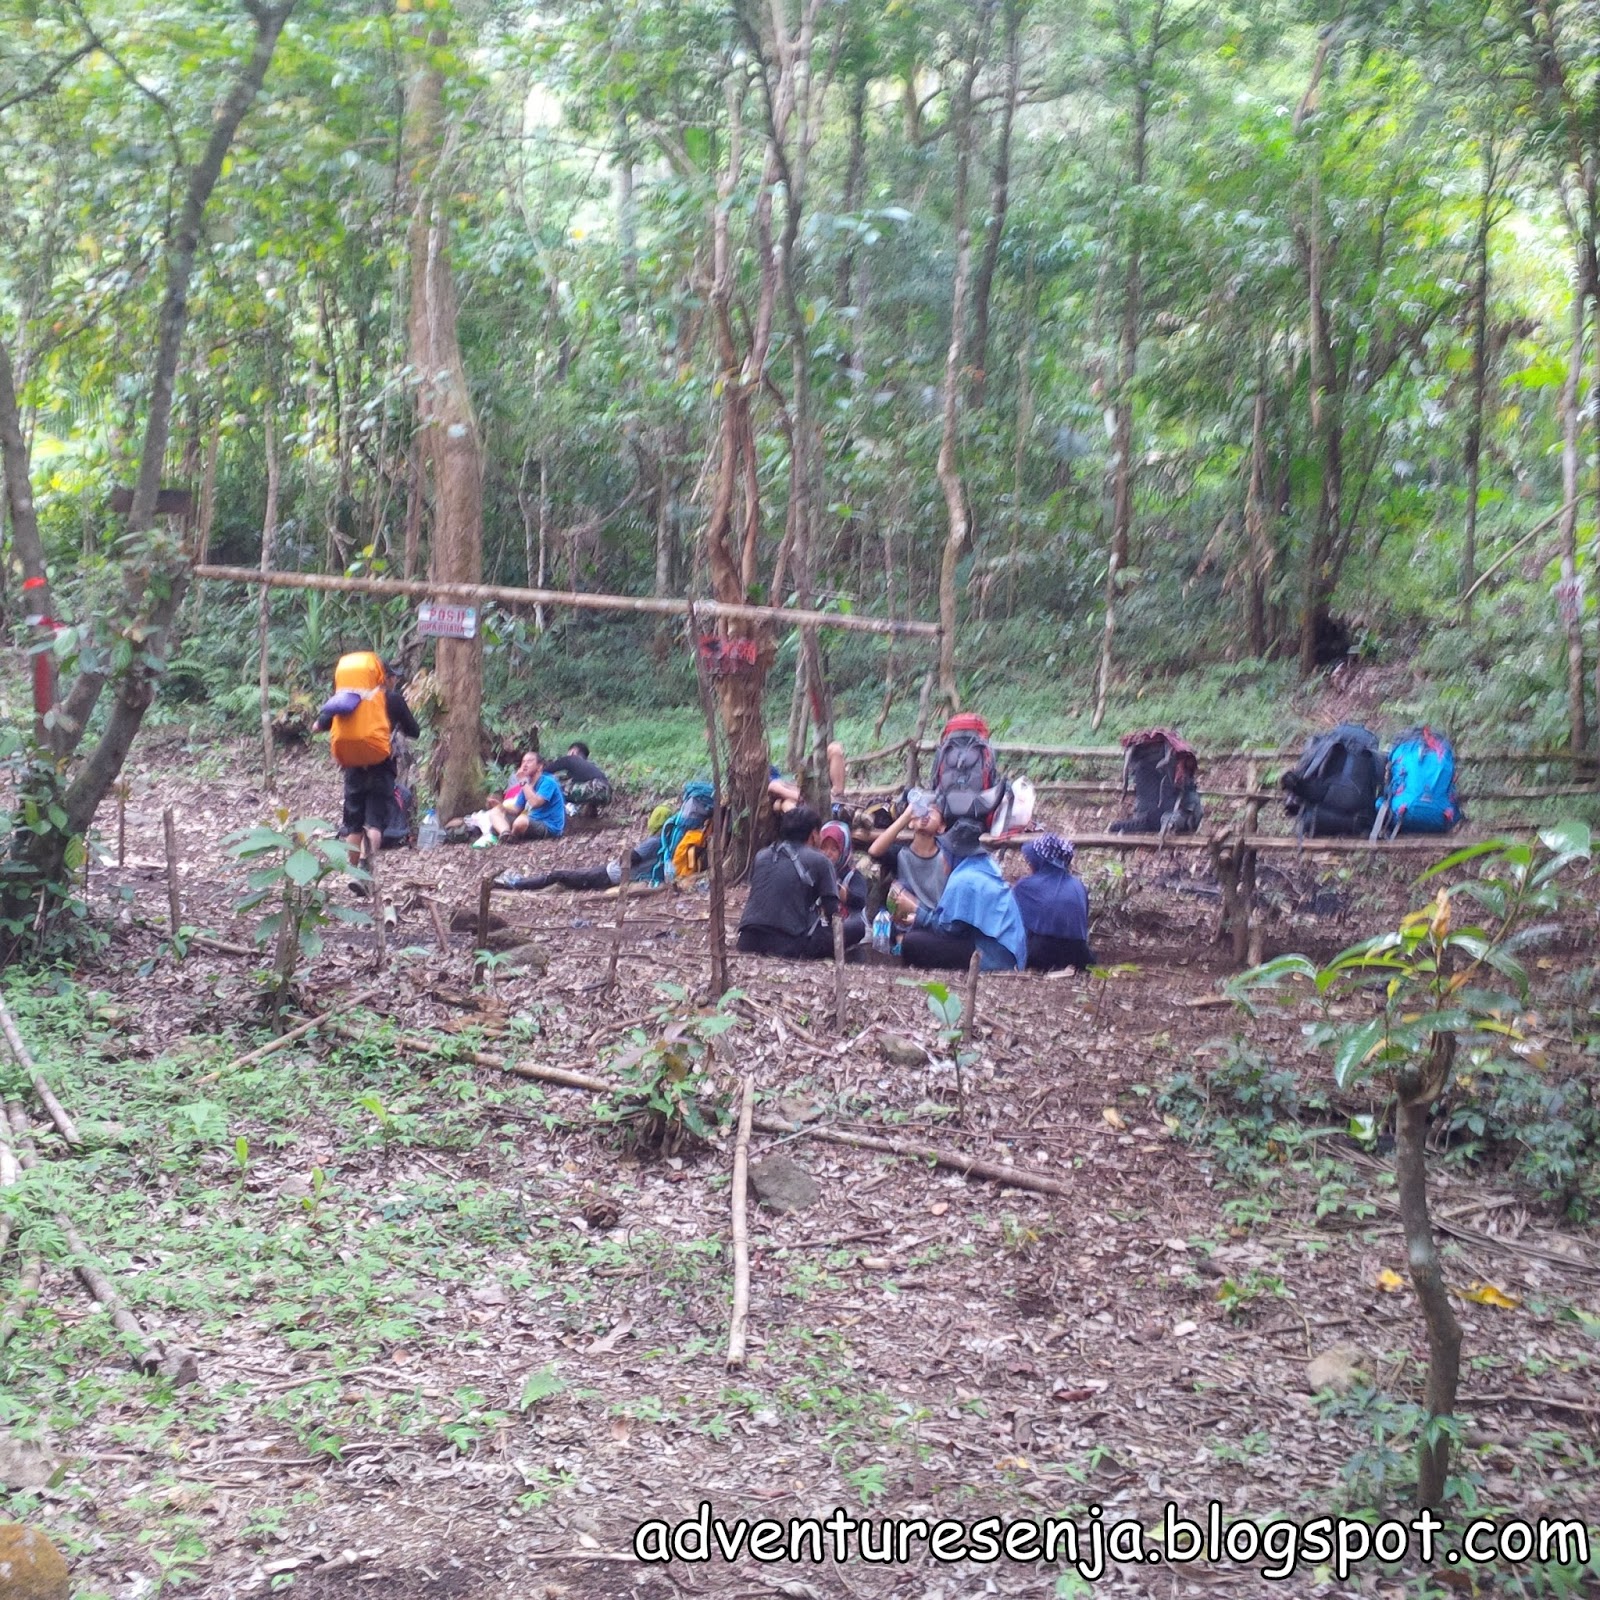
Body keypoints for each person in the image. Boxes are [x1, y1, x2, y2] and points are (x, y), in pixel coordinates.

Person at [315, 653, 421, 877]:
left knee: (353, 825)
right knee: (374, 823)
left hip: (353, 767)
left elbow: (317, 726)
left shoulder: (345, 700)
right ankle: (366, 869)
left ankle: (352, 873)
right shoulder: (392, 700)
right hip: (381, 767)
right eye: (392, 675)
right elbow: (415, 731)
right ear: (382, 676)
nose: (394, 680)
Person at [898, 817, 1027, 972]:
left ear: (953, 854)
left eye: (944, 852)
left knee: (912, 942)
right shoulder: (983, 865)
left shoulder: (963, 880)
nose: (943, 858)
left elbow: (947, 929)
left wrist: (916, 908)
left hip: (993, 958)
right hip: (1006, 952)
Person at [737, 805, 861, 959]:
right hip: (787, 945)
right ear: (814, 834)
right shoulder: (820, 860)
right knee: (858, 925)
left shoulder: (761, 856)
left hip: (747, 941)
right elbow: (832, 914)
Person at [1012, 835, 1095, 972]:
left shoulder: (1026, 887)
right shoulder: (1078, 885)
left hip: (1041, 951)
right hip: (1078, 953)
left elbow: (1014, 922)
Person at [868, 788, 951, 916]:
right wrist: (906, 817)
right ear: (911, 823)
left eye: (932, 811)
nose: (925, 814)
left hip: (935, 922)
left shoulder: (947, 857)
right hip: (906, 921)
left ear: (941, 827)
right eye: (922, 810)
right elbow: (874, 851)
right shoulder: (902, 854)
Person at [817, 820, 868, 948]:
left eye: (834, 849)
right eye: (824, 847)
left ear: (844, 850)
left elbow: (861, 900)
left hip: (846, 923)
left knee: (856, 925)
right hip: (821, 924)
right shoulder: (813, 871)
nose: (828, 853)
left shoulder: (852, 876)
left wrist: (846, 895)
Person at [543, 741, 613, 814]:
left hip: (595, 787)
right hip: (607, 793)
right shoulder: (589, 766)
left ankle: (550, 814)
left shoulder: (570, 759)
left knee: (554, 787)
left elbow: (547, 770)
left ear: (573, 751)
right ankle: (589, 817)